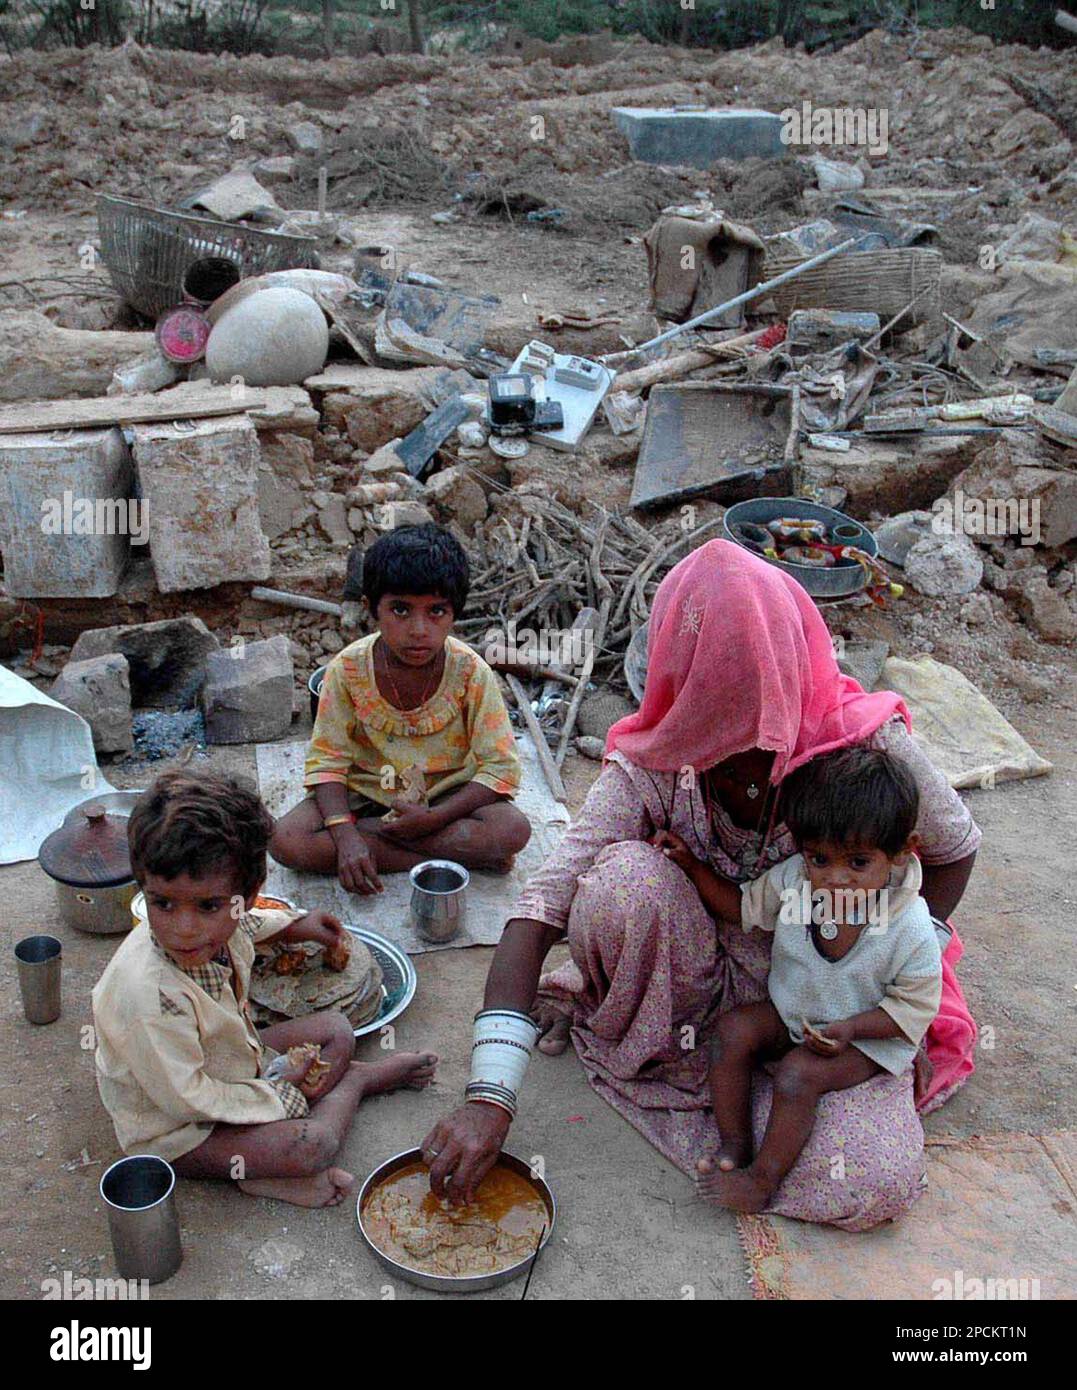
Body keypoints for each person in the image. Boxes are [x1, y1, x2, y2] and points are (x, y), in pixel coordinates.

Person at [420, 539, 979, 1231]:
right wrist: (489, 1095)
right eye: (717, 695)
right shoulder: (660, 759)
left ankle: (757, 1115)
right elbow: (541, 908)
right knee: (623, 879)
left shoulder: (863, 751)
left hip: (832, 1008)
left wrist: (889, 965)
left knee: (866, 1182)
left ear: (793, 665)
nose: (740, 728)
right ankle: (679, 1065)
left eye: (758, 690)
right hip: (687, 990)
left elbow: (953, 851)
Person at [92, 771, 437, 1208]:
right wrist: (282, 1095)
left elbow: (247, 927)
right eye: (162, 903)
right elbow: (187, 1098)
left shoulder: (223, 925)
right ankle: (353, 1084)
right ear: (144, 889)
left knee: (337, 1029)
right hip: (179, 1128)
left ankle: (280, 1135)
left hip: (236, 1060)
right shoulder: (147, 995)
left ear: (248, 895)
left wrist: (294, 927)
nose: (184, 929)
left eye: (208, 906)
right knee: (314, 1143)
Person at [653, 745, 942, 1214]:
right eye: (820, 859)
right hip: (797, 1013)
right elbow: (741, 907)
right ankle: (735, 1146)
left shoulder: (909, 926)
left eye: (858, 863)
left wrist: (852, 1030)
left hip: (868, 1037)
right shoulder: (794, 882)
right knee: (730, 1033)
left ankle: (762, 1181)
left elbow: (914, 1008)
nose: (835, 878)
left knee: (796, 1076)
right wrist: (691, 866)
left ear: (901, 852)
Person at [269, 523, 531, 893]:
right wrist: (345, 836)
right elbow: (327, 761)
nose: (419, 629)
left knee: (512, 829)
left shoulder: (471, 672)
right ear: (371, 609)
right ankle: (451, 857)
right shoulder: (346, 671)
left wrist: (431, 818)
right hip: (367, 794)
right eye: (401, 610)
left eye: (436, 611)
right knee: (287, 840)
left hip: (445, 798)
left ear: (455, 612)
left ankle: (379, 848)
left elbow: (500, 767)